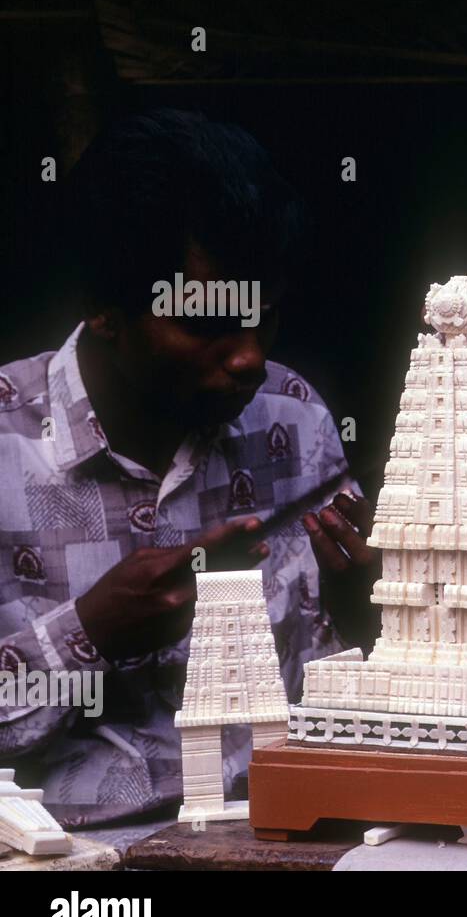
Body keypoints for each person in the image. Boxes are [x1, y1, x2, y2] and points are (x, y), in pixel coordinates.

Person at [0, 109, 394, 825]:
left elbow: (346, 697)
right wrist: (88, 633)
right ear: (105, 310)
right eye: (206, 323)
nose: (248, 357)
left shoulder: (292, 417)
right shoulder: (7, 446)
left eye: (263, 316)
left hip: (288, 836)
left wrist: (369, 613)